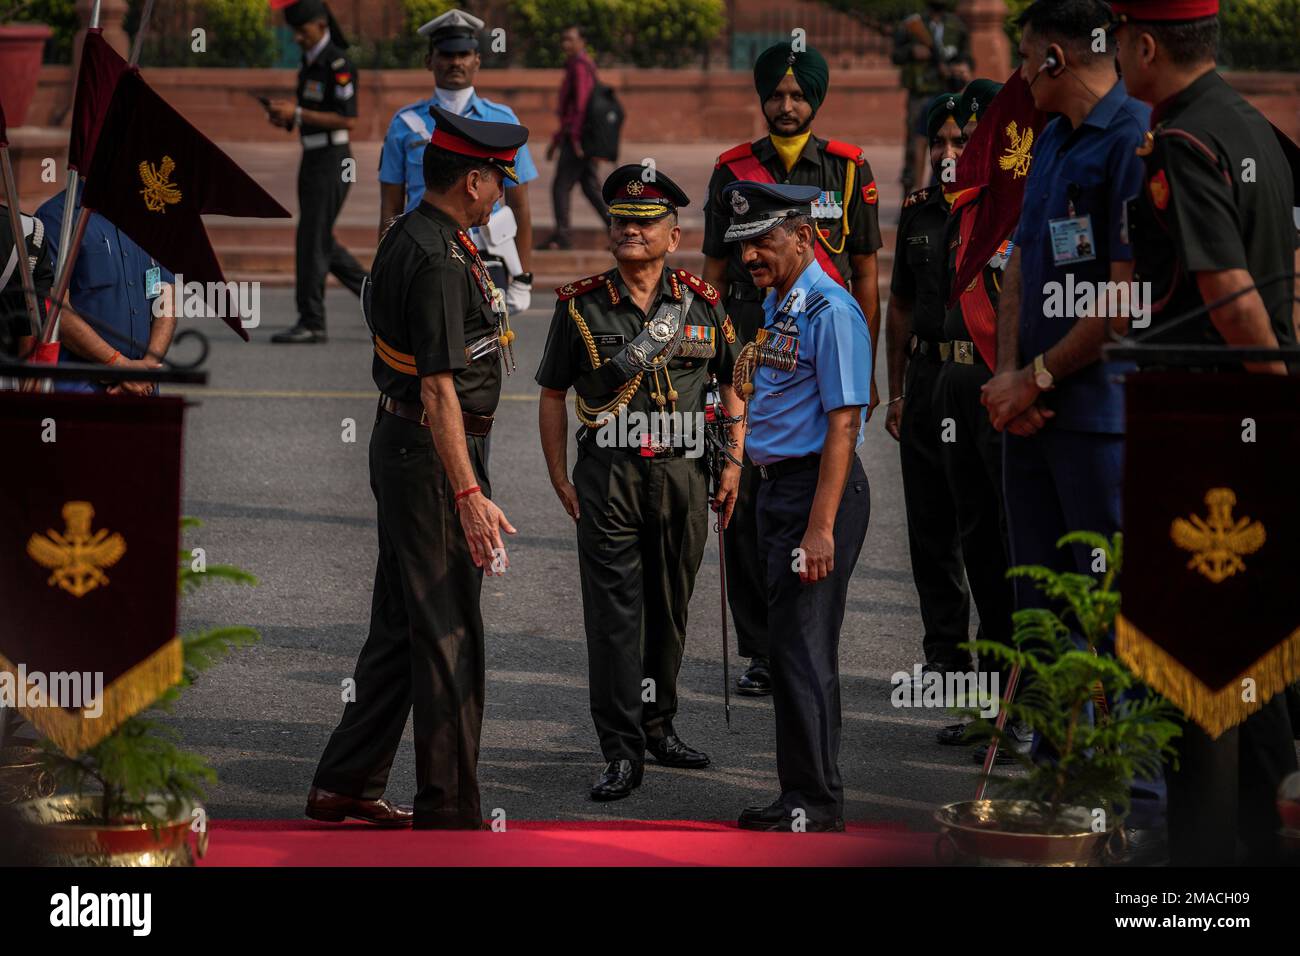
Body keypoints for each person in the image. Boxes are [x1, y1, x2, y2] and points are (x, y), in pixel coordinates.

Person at [1113, 0, 1298, 864]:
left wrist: (1275, 390)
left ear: (1145, 44)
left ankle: (1197, 862)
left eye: (1118, 39)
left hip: (1206, 422)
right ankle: (1255, 835)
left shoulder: (1182, 142)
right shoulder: (1253, 123)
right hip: (1249, 419)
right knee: (1255, 646)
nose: (1116, 55)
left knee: (1191, 662)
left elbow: (1232, 296)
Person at [306, 107, 528, 830]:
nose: (503, 191)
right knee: (447, 631)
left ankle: (345, 782)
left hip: (413, 448)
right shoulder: (436, 256)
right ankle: (451, 808)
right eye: (498, 178)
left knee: (403, 625)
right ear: (471, 181)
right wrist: (468, 492)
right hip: (435, 455)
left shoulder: (420, 232)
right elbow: (438, 387)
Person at [980, 0, 1163, 828]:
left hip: (1099, 421)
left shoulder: (1134, 140)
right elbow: (1020, 263)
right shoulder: (1052, 136)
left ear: (1055, 57)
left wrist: (1040, 380)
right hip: (1035, 419)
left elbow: (1127, 299)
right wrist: (1012, 375)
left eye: (1025, 59)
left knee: (1113, 613)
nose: (1019, 75)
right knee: (1039, 611)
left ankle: (1138, 807)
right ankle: (1054, 789)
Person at [536, 166, 744, 801]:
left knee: (670, 608)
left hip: (684, 475)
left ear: (672, 234)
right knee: (614, 617)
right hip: (610, 477)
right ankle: (621, 750)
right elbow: (552, 394)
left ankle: (659, 723)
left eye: (645, 221)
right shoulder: (581, 305)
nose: (629, 229)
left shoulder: (703, 303)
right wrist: (557, 475)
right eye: (620, 220)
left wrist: (733, 462)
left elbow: (733, 388)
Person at [703, 41, 882, 698]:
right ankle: (761, 648)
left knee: (810, 490)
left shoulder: (846, 168)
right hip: (749, 355)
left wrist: (862, 372)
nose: (786, 105)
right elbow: (714, 280)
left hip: (819, 350)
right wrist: (725, 361)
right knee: (743, 501)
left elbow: (864, 273)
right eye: (776, 95)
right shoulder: (731, 171)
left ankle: (802, 639)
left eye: (798, 95)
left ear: (816, 99)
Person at [723, 181, 873, 832]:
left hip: (819, 491)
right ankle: (801, 792)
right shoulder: (779, 301)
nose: (751, 255)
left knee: (804, 650)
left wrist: (820, 528)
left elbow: (844, 423)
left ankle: (813, 802)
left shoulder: (830, 310)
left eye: (764, 240)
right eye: (743, 245)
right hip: (777, 488)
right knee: (788, 648)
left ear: (803, 237)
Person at [934, 80, 1022, 757]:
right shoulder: (951, 214)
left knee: (1021, 545)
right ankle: (994, 701)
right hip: (957, 384)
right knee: (977, 546)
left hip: (1010, 388)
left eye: (974, 142)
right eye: (958, 142)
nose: (961, 153)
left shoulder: (1023, 209)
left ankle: (1038, 705)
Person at [884, 92, 973, 684]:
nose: (946, 152)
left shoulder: (997, 209)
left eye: (958, 142)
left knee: (986, 536)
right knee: (931, 535)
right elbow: (899, 306)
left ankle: (999, 685)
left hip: (975, 379)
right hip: (925, 378)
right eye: (937, 142)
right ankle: (946, 665)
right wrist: (896, 391)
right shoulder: (917, 211)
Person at [378, 9, 538, 315]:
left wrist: (523, 277)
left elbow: (520, 205)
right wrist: (385, 265)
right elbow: (390, 207)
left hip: (488, 256)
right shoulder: (404, 124)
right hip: (424, 253)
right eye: (446, 54)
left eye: (464, 53)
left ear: (477, 60)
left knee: (487, 352)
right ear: (429, 60)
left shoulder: (503, 120)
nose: (455, 62)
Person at [266, 0, 366, 344]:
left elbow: (348, 119)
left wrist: (297, 113)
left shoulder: (338, 63)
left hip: (333, 159)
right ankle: (381, 301)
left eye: (301, 30)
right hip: (312, 157)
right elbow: (305, 116)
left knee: (312, 239)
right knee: (318, 239)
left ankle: (312, 321)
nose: (296, 38)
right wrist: (285, 117)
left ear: (321, 24)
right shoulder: (308, 65)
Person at [35, 185, 176, 395]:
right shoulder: (58, 217)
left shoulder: (148, 214)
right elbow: (55, 309)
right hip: (81, 388)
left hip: (142, 387)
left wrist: (148, 367)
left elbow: (167, 298)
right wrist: (118, 365)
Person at [891, 0, 972, 196]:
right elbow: (895, 55)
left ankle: (945, 192)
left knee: (949, 144)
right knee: (914, 146)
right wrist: (912, 52)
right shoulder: (912, 25)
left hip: (947, 92)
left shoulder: (957, 26)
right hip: (921, 93)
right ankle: (910, 197)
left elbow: (967, 57)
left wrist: (959, 68)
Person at [542, 24, 608, 250]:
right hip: (579, 137)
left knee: (561, 186)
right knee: (590, 188)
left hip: (577, 138)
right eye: (564, 39)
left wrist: (575, 139)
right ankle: (616, 230)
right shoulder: (579, 65)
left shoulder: (580, 67)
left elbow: (580, 106)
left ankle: (563, 235)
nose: (565, 44)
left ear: (582, 42)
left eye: (570, 39)